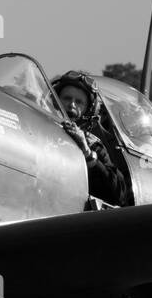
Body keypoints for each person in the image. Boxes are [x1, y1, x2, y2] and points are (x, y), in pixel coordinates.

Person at [52, 71, 129, 207]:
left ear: (88, 110)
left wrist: (87, 153)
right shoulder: (41, 126)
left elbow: (120, 194)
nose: (72, 105)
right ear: (55, 100)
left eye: (79, 102)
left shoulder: (93, 145)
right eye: (67, 98)